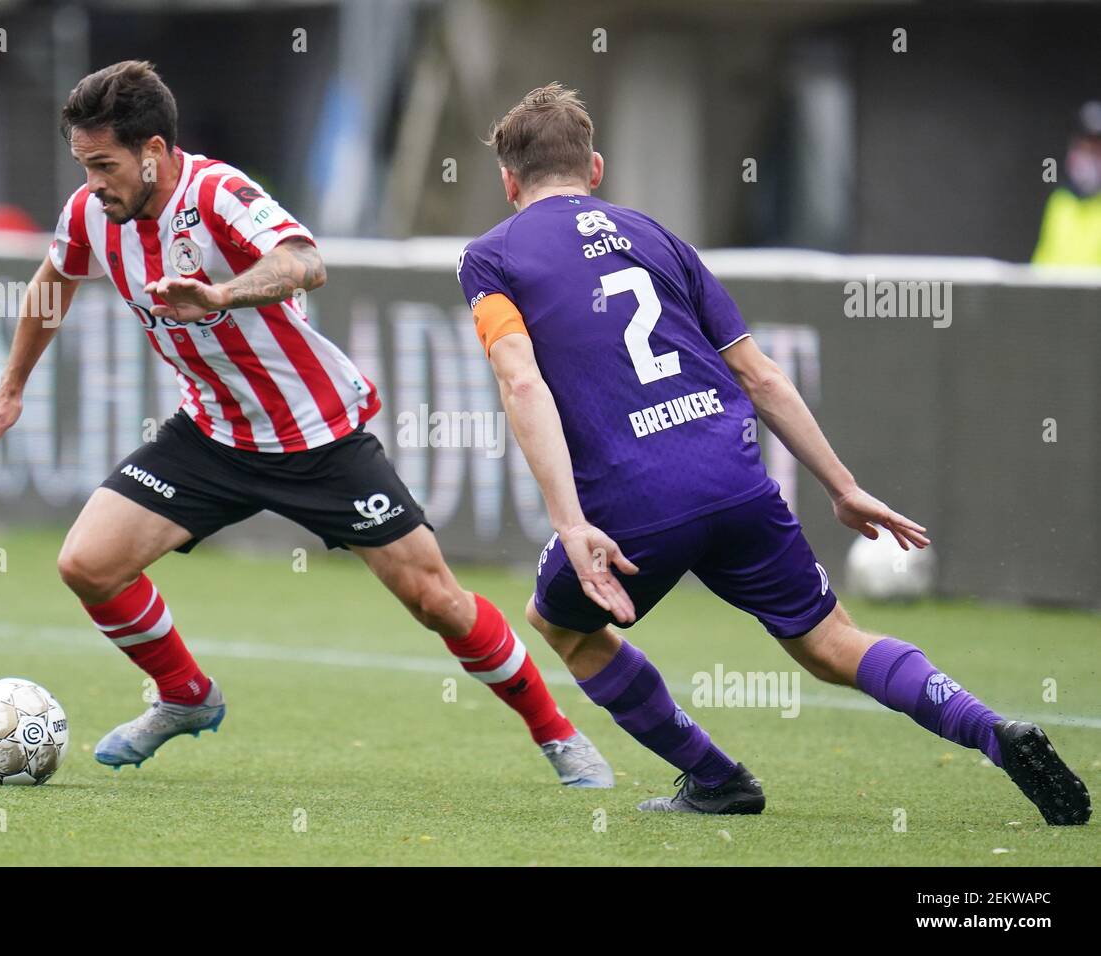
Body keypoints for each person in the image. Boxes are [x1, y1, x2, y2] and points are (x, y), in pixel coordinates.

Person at [0, 62, 613, 788]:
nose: (94, 183)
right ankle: (186, 696)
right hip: (211, 436)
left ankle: (558, 734)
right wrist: (10, 390)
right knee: (87, 564)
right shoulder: (89, 215)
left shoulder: (217, 193)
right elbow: (54, 280)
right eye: (85, 165)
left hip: (317, 436)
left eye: (105, 165)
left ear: (155, 152)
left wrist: (221, 293)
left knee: (436, 601)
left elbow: (304, 260)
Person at [457, 83, 1090, 824]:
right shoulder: (657, 238)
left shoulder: (490, 257)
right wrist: (843, 486)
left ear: (509, 182)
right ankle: (993, 730)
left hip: (633, 498)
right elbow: (759, 375)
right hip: (734, 479)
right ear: (594, 168)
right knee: (831, 641)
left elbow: (521, 379)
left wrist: (569, 523)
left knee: (559, 622)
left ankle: (718, 779)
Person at [1032, 101, 1101, 266]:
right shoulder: (1060, 201)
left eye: (1095, 149)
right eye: (1082, 147)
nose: (1087, 157)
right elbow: (1041, 265)